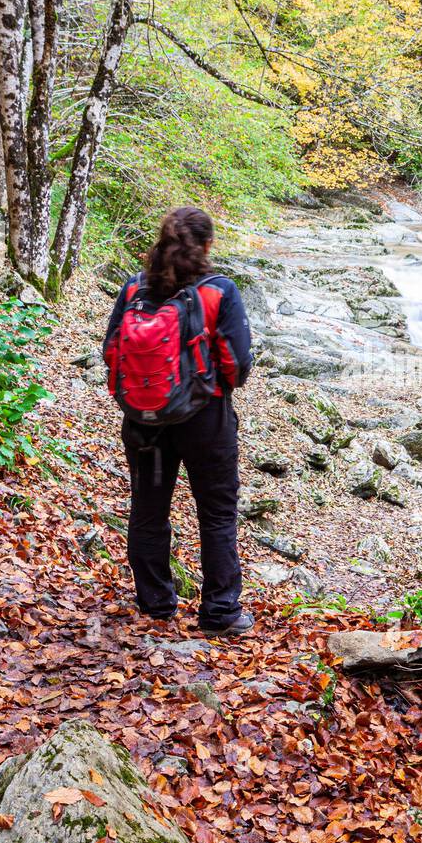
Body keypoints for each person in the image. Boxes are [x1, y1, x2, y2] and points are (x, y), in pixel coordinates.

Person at [103, 207, 254, 635]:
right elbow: (237, 365)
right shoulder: (218, 291)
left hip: (143, 421)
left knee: (149, 510)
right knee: (218, 515)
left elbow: (111, 351)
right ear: (207, 246)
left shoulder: (134, 288)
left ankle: (155, 605)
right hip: (206, 421)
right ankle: (220, 613)